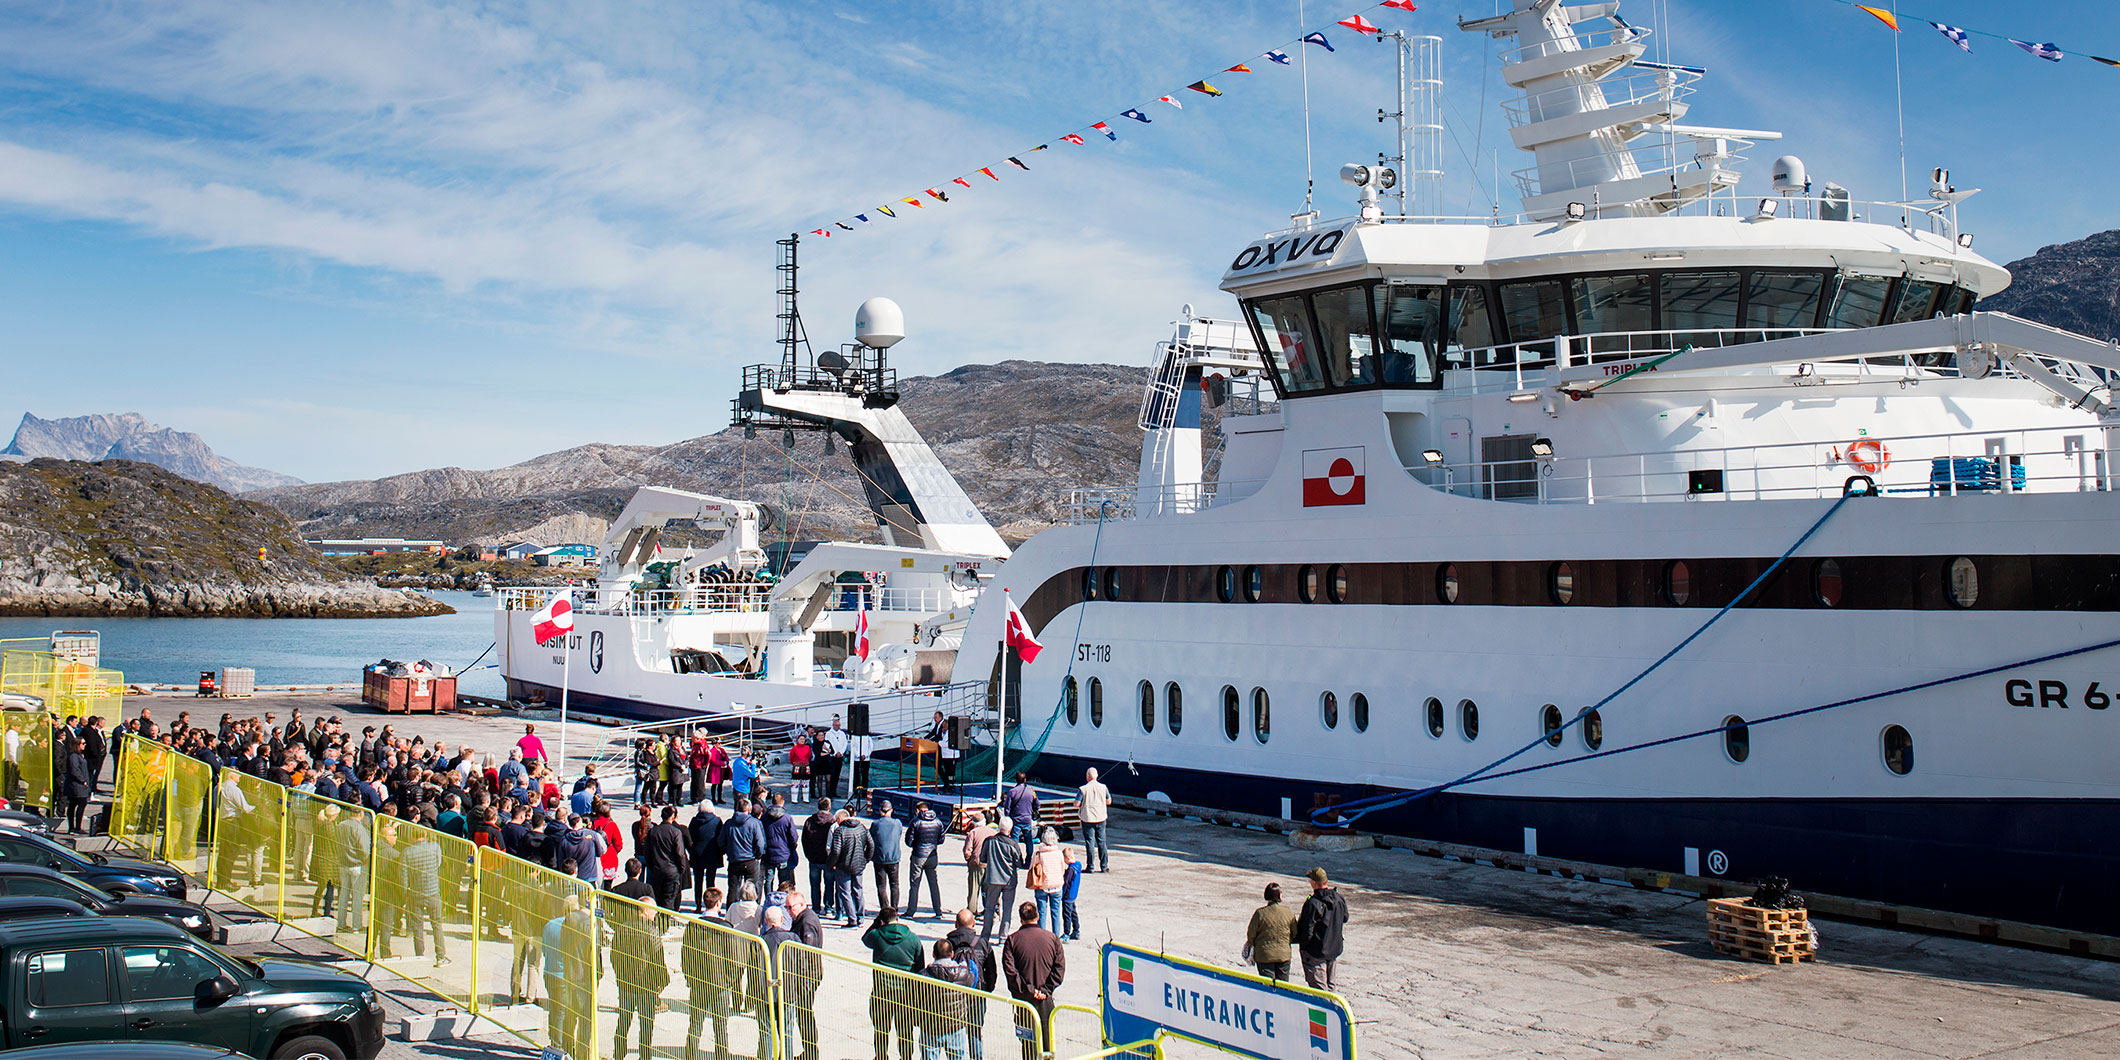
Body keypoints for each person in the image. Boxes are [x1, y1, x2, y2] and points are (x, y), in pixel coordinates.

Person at [1001, 901, 1064, 1060]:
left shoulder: (1012, 940)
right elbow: (1059, 969)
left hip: (1024, 1002)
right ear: (1037, 916)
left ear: (1021, 919)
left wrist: (1028, 991)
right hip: (1045, 1002)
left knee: (1028, 1045)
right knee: (1048, 1044)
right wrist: (1046, 990)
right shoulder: (1052, 939)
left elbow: (1010, 972)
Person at [611, 890, 670, 1060]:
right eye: (654, 910)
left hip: (626, 983)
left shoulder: (622, 928)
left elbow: (614, 955)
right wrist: (662, 981)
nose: (656, 913)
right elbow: (658, 959)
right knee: (646, 1025)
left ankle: (619, 1054)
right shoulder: (652, 931)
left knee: (623, 1021)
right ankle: (644, 1056)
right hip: (646, 985)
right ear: (645, 910)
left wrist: (620, 975)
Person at [862, 907, 923, 1060]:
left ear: (882, 922)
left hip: (882, 992)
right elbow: (920, 968)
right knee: (905, 1031)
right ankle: (906, 1057)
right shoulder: (913, 939)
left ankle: (881, 1056)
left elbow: (865, 938)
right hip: (906, 994)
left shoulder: (877, 936)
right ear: (898, 919)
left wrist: (877, 923)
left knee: (881, 1030)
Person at [683, 886, 736, 1060]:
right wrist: (730, 979)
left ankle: (690, 1055)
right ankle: (722, 1056)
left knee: (695, 1024)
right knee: (721, 1025)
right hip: (720, 983)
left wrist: (689, 977)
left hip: (699, 982)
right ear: (719, 903)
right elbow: (732, 957)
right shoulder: (726, 927)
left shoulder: (694, 925)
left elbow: (686, 954)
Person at [942, 909, 996, 1060]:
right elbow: (991, 971)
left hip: (954, 995)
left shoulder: (948, 943)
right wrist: (986, 989)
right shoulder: (982, 943)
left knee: (954, 1031)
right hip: (977, 992)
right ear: (973, 924)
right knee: (975, 1031)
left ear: (955, 924)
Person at [1295, 867, 1350, 991]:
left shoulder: (1313, 903)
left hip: (1316, 952)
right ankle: (1333, 1008)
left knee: (1320, 990)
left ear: (1314, 883)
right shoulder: (1339, 898)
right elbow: (1345, 918)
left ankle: (1329, 1009)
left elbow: (1307, 929)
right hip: (1333, 949)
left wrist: (1304, 948)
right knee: (1331, 987)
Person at [921, 938, 975, 1060]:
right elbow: (973, 981)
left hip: (930, 1026)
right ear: (951, 954)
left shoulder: (924, 975)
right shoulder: (963, 973)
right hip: (955, 1026)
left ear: (933, 954)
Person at [402, 827, 449, 966]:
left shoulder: (407, 852)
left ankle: (419, 956)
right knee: (437, 924)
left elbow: (403, 875)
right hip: (433, 890)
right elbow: (438, 863)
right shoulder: (434, 847)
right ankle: (440, 956)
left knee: (417, 927)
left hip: (415, 892)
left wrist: (406, 892)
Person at [827, 807, 876, 927]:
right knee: (858, 890)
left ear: (839, 818)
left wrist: (831, 864)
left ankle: (852, 919)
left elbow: (836, 851)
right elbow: (871, 845)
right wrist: (866, 859)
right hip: (859, 865)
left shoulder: (840, 831)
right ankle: (860, 918)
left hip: (843, 866)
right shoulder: (862, 827)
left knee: (845, 893)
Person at [977, 826, 1023, 947]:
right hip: (1009, 880)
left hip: (993, 879)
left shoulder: (989, 841)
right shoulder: (1013, 844)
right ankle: (1003, 937)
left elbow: (983, 858)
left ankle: (985, 936)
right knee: (1007, 909)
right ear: (1010, 829)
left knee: (989, 908)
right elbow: (1019, 862)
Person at [1245, 882, 1297, 983]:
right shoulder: (1288, 912)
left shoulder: (1260, 913)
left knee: (1268, 986)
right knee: (1283, 987)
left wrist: (1253, 944)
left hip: (1264, 955)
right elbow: (1294, 932)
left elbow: (1251, 934)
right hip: (1283, 955)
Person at [644, 804, 692, 910]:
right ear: (672, 817)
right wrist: (681, 868)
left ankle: (660, 921)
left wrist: (652, 867)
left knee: (658, 897)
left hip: (658, 869)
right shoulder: (675, 832)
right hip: (672, 871)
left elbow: (647, 852)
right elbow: (680, 853)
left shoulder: (654, 831)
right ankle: (665, 923)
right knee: (669, 899)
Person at [904, 802, 948, 919]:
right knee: (933, 883)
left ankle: (911, 911)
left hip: (918, 855)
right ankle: (938, 910)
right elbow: (941, 839)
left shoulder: (915, 822)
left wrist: (917, 845)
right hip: (932, 855)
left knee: (914, 884)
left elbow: (908, 841)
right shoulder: (938, 822)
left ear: (918, 810)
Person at [802, 798, 837, 918]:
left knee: (815, 884)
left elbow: (804, 840)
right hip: (828, 859)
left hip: (813, 858)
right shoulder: (833, 822)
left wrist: (808, 855)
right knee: (829, 884)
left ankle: (816, 908)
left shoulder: (810, 821)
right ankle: (828, 907)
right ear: (829, 807)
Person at [869, 800, 905, 916]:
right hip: (893, 858)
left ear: (880, 811)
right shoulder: (897, 823)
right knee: (894, 884)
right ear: (891, 811)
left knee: (881, 885)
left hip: (879, 858)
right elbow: (899, 834)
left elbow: (871, 838)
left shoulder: (876, 824)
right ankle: (894, 908)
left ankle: (885, 909)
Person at [724, 796, 765, 897]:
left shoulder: (729, 823)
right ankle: (751, 910)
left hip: (734, 860)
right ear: (749, 810)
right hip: (750, 860)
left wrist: (729, 851)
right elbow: (760, 843)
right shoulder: (755, 823)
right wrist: (758, 856)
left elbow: (721, 841)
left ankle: (732, 910)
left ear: (737, 808)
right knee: (751, 889)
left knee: (733, 889)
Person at [690, 802, 727, 912]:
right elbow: (721, 838)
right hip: (712, 854)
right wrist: (721, 851)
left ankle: (698, 905)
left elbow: (689, 837)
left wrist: (692, 850)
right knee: (711, 881)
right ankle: (710, 904)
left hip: (698, 855)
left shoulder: (694, 821)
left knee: (698, 881)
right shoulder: (717, 821)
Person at [1028, 827, 1065, 935]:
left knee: (1041, 913)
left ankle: (1041, 936)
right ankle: (1056, 937)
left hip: (1042, 885)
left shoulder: (1038, 854)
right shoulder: (1058, 853)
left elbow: (1032, 868)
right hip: (1056, 885)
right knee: (1056, 913)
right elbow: (1062, 869)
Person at [763, 792, 801, 891]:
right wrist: (792, 847)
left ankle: (769, 899)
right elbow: (793, 836)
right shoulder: (787, 818)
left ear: (772, 802)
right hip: (783, 853)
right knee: (783, 881)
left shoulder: (764, 817)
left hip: (768, 853)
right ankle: (782, 899)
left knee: (768, 879)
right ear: (782, 802)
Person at [962, 810, 995, 920]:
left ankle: (971, 913)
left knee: (973, 890)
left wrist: (969, 861)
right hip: (990, 864)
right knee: (989, 891)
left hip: (976, 864)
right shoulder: (993, 832)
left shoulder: (973, 833)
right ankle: (991, 912)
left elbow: (967, 850)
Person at [1076, 768, 1109, 873]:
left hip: (1088, 818)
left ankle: (1090, 866)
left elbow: (1076, 803)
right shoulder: (1103, 787)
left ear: (1087, 777)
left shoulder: (1083, 789)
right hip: (1101, 817)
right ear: (1097, 776)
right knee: (1102, 842)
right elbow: (1109, 801)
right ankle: (1104, 866)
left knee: (1090, 842)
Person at [60, 737, 91, 833]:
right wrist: (82, 780)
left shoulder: (80, 755)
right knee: (79, 804)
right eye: (83, 743)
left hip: (80, 784)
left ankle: (75, 827)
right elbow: (75, 770)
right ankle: (75, 827)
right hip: (77, 785)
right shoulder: (74, 756)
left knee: (75, 805)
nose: (84, 745)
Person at [1002, 773, 1038, 850]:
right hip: (1027, 819)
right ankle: (1029, 858)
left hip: (1015, 820)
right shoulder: (1031, 791)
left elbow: (1007, 808)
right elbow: (1037, 805)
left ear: (1015, 780)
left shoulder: (1012, 792)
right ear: (1025, 780)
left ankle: (1015, 857)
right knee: (1029, 841)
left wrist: (1007, 817)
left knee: (1014, 841)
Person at [924, 712, 957, 788]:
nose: (935, 719)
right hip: (940, 749)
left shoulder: (945, 726)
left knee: (947, 768)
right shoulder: (938, 725)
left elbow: (939, 737)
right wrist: (925, 738)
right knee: (938, 766)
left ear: (940, 717)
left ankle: (948, 784)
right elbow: (933, 733)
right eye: (934, 718)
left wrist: (933, 741)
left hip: (946, 751)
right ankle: (946, 782)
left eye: (936, 718)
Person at [1059, 848, 1083, 941]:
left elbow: (1066, 882)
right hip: (1073, 894)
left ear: (1067, 858)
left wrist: (1062, 894)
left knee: (1066, 915)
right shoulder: (1078, 866)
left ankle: (1066, 933)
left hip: (1067, 895)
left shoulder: (1070, 870)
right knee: (1073, 913)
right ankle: (1076, 930)